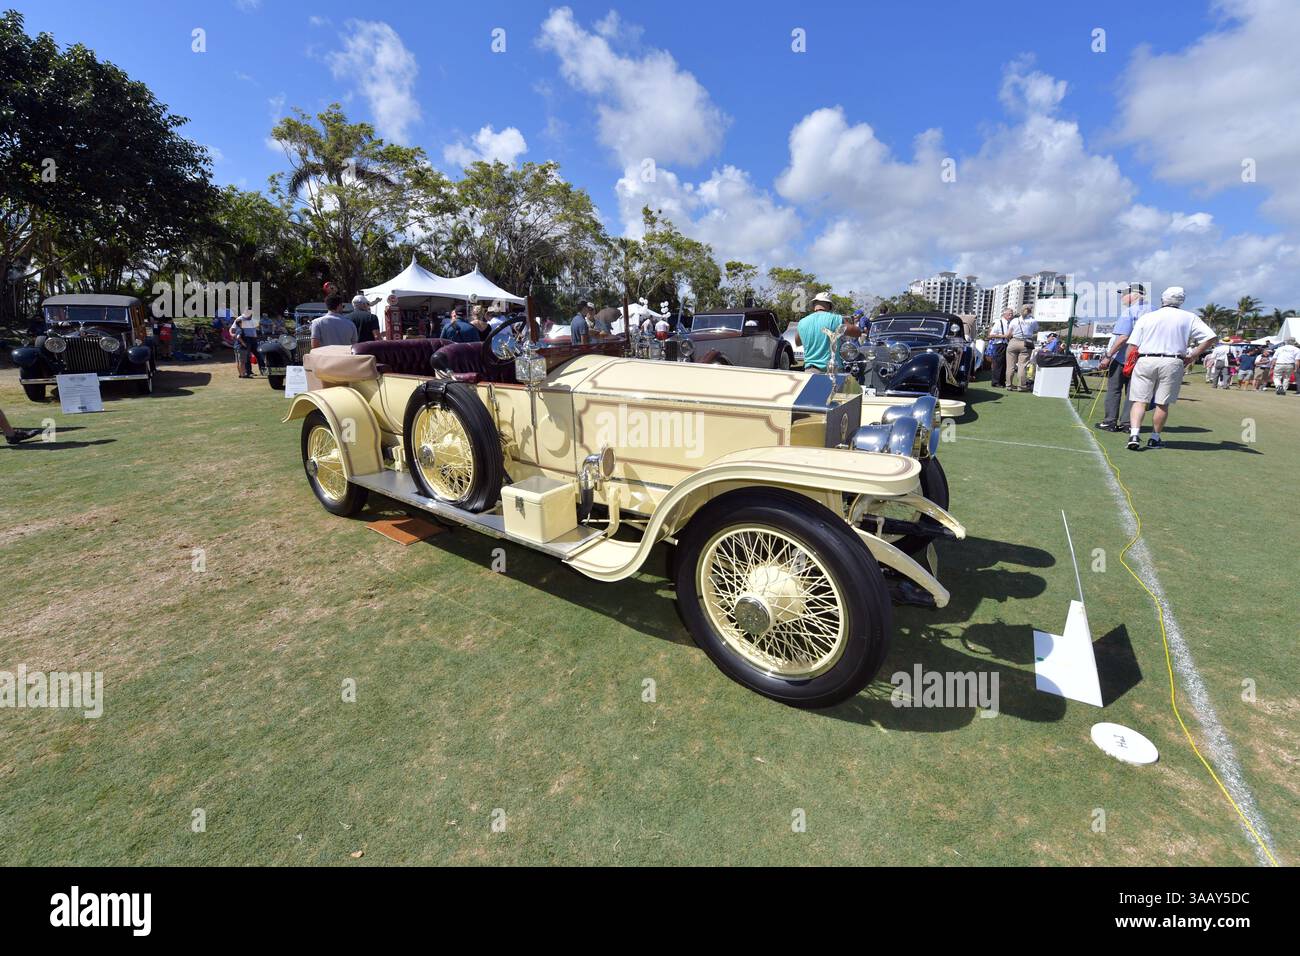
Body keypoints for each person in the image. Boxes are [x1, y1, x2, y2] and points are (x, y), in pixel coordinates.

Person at [1124, 286, 1217, 450]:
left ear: (1162, 300)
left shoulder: (1148, 317)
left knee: (1139, 400)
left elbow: (1132, 345)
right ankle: (1154, 437)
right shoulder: (1189, 317)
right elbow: (1210, 337)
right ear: (1181, 301)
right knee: (1162, 403)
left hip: (1146, 359)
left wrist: (1128, 365)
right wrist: (1193, 355)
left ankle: (1134, 435)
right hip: (1172, 361)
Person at [1096, 285, 1150, 430]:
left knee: (1114, 390)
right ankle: (1128, 424)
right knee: (1134, 393)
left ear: (1134, 295)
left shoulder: (1130, 312)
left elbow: (1122, 338)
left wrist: (1108, 356)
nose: (1122, 297)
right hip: (1144, 358)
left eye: (1124, 294)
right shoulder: (1155, 310)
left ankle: (1110, 421)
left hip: (1124, 358)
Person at [795, 291, 858, 372]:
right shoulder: (836, 319)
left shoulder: (802, 322)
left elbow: (798, 342)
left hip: (810, 370)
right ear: (829, 306)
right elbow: (857, 332)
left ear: (814, 305)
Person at [1004, 304, 1039, 391]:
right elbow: (1036, 331)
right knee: (1022, 366)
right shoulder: (1033, 321)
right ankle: (1021, 386)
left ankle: (1009, 385)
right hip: (1026, 343)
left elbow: (1008, 334)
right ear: (1030, 311)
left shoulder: (1014, 320)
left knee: (1010, 366)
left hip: (1013, 342)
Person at [987, 308, 1012, 388]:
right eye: (1009, 314)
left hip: (1007, 344)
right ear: (1004, 314)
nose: (1011, 315)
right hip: (999, 344)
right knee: (998, 363)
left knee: (1005, 364)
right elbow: (991, 335)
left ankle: (1002, 381)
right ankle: (995, 382)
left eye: (1011, 314)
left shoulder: (1010, 323)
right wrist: (1003, 336)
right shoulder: (998, 322)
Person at [232, 309, 260, 377]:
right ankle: (244, 374)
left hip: (237, 346)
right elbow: (238, 337)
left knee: (239, 362)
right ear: (240, 323)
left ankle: (241, 374)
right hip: (241, 347)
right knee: (243, 362)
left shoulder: (238, 329)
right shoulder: (241, 329)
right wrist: (244, 344)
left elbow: (236, 336)